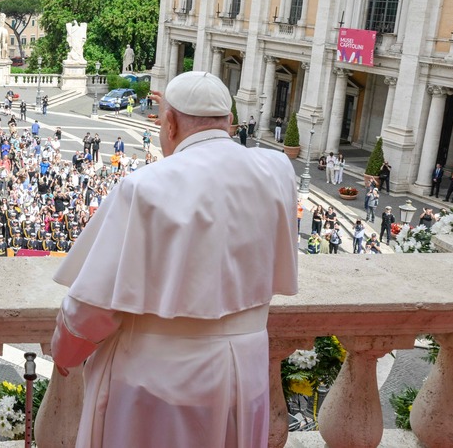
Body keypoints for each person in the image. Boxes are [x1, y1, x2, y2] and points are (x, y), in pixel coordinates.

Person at [50, 71, 298, 448]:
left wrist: (65, 352)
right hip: (245, 375)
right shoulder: (279, 170)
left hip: (159, 385)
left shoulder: (146, 186)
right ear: (228, 122)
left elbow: (92, 308)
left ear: (169, 123)